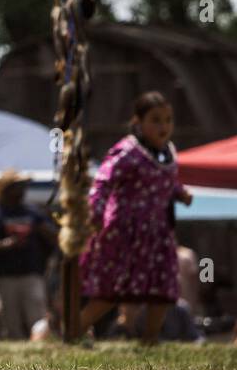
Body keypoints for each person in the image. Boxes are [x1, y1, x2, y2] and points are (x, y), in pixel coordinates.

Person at [79, 92, 193, 346]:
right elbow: (102, 181)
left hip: (159, 233)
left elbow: (165, 182)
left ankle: (150, 339)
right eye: (156, 120)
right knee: (113, 291)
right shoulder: (128, 151)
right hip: (125, 232)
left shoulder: (168, 152)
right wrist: (96, 213)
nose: (164, 126)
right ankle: (76, 330)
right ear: (138, 122)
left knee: (162, 289)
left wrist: (180, 193)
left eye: (168, 120)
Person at [0, 170, 56, 340]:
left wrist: (42, 228)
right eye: (18, 186)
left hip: (32, 273)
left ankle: (39, 342)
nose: (22, 190)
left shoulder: (32, 212)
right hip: (6, 275)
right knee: (11, 317)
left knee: (37, 314)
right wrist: (4, 245)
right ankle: (15, 345)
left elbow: (53, 238)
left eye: (23, 186)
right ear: (6, 189)